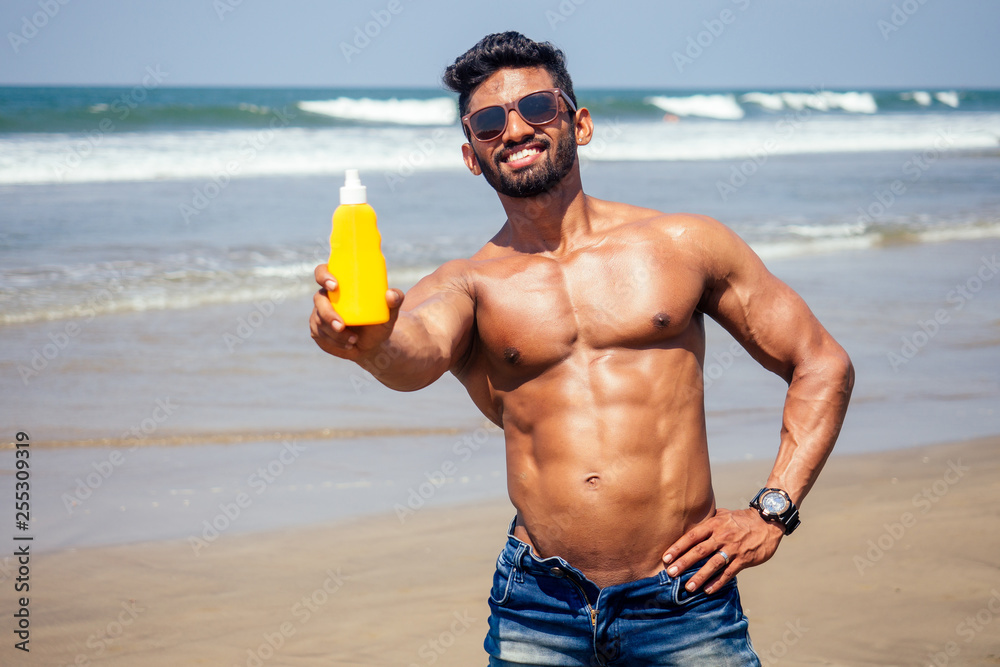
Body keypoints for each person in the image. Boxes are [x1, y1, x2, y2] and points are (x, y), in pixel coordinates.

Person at [310, 31, 854, 666]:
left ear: (580, 123)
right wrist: (366, 340)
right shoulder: (468, 283)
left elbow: (820, 361)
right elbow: (413, 355)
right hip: (539, 606)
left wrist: (773, 510)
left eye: (536, 108)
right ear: (470, 154)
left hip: (686, 600)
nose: (513, 129)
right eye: (489, 120)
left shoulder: (685, 244)